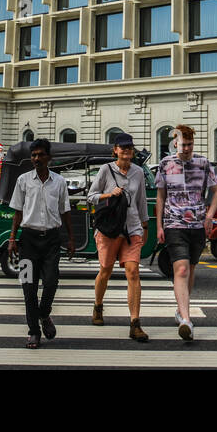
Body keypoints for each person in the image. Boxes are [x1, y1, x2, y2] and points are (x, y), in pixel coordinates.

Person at [155, 124, 217, 341]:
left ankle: (180, 310)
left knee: (190, 269)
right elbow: (161, 197)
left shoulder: (203, 163)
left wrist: (210, 215)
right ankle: (186, 320)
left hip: (198, 225)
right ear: (176, 143)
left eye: (190, 145)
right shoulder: (165, 164)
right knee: (181, 269)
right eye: (183, 144)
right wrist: (159, 226)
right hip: (174, 224)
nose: (186, 148)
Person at [7, 139, 75, 349]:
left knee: (52, 282)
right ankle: (34, 332)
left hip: (52, 240)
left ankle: (44, 314)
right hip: (28, 241)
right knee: (28, 288)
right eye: (33, 155)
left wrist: (71, 238)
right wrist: (12, 238)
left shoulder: (59, 182)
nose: (36, 158)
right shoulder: (23, 180)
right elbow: (18, 211)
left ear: (49, 157)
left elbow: (65, 211)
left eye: (40, 155)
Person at [87, 132, 150, 342]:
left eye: (129, 148)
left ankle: (135, 323)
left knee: (133, 272)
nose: (126, 151)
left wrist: (144, 224)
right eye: (122, 148)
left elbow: (141, 200)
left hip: (132, 228)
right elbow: (91, 196)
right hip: (109, 229)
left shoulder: (138, 173)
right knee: (105, 270)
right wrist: (109, 194)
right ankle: (98, 306)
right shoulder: (106, 170)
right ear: (115, 150)